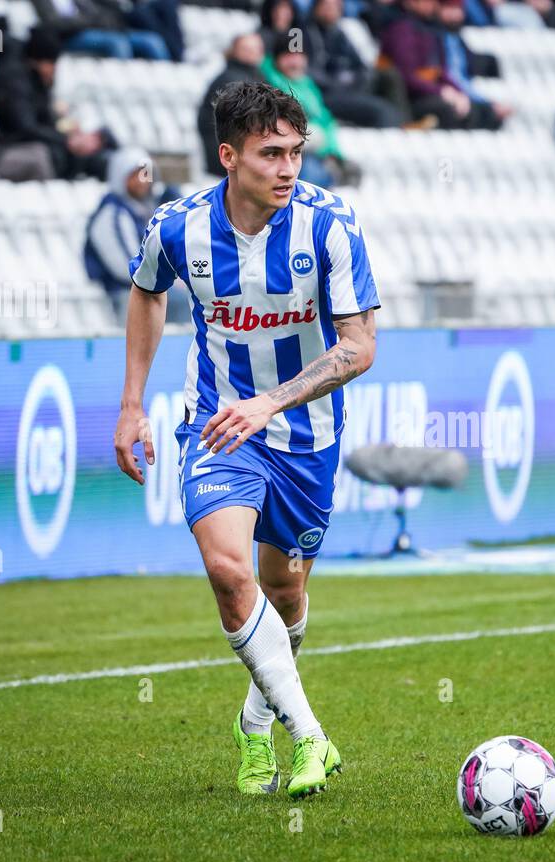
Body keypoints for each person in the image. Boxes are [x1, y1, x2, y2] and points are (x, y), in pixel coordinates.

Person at [115, 81, 379, 800]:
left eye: (296, 151)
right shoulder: (179, 227)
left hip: (305, 437)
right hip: (219, 426)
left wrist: (274, 400)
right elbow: (146, 289)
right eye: (271, 154)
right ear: (229, 157)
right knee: (229, 572)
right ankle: (312, 738)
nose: (289, 168)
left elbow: (359, 348)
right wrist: (132, 403)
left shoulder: (331, 225)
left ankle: (254, 724)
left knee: (285, 593)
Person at [0, 28, 114, 180]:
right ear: (38, 61)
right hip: (3, 149)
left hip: (28, 146)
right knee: (43, 157)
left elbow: (43, 123)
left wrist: (70, 135)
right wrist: (65, 140)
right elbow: (25, 128)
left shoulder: (38, 84)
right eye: (52, 63)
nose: (54, 69)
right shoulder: (15, 82)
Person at [380, 0, 502, 130]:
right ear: (410, 3)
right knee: (448, 110)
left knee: (484, 112)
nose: (431, 5)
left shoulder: (431, 29)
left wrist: (458, 93)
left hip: (429, 92)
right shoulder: (400, 30)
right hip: (407, 99)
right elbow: (405, 76)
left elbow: (441, 72)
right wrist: (441, 92)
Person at [261, 32, 358, 186]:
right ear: (277, 58)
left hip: (312, 150)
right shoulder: (266, 81)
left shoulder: (308, 85)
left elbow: (325, 120)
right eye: (288, 56)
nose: (295, 62)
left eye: (299, 56)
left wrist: (332, 152)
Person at [303, 0, 405, 128]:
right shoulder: (301, 32)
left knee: (388, 76)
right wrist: (336, 83)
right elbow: (302, 69)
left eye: (336, 7)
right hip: (323, 93)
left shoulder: (340, 34)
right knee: (383, 111)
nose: (331, 10)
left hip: (349, 89)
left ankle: (406, 124)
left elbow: (361, 66)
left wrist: (356, 81)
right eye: (327, 6)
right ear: (316, 8)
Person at [85, 146, 155, 317]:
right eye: (135, 174)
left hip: (146, 289)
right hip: (122, 294)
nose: (143, 180)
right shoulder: (111, 213)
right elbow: (126, 269)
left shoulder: (144, 208)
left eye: (146, 174)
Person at [198, 32, 266, 177]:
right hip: (228, 154)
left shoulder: (257, 77)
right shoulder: (230, 80)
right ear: (235, 50)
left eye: (256, 49)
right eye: (246, 48)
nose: (252, 53)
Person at [30, 0, 170, 60]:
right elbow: (54, 23)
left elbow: (92, 13)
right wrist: (82, 21)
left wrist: (83, 21)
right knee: (117, 43)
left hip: (95, 30)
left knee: (152, 41)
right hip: (70, 37)